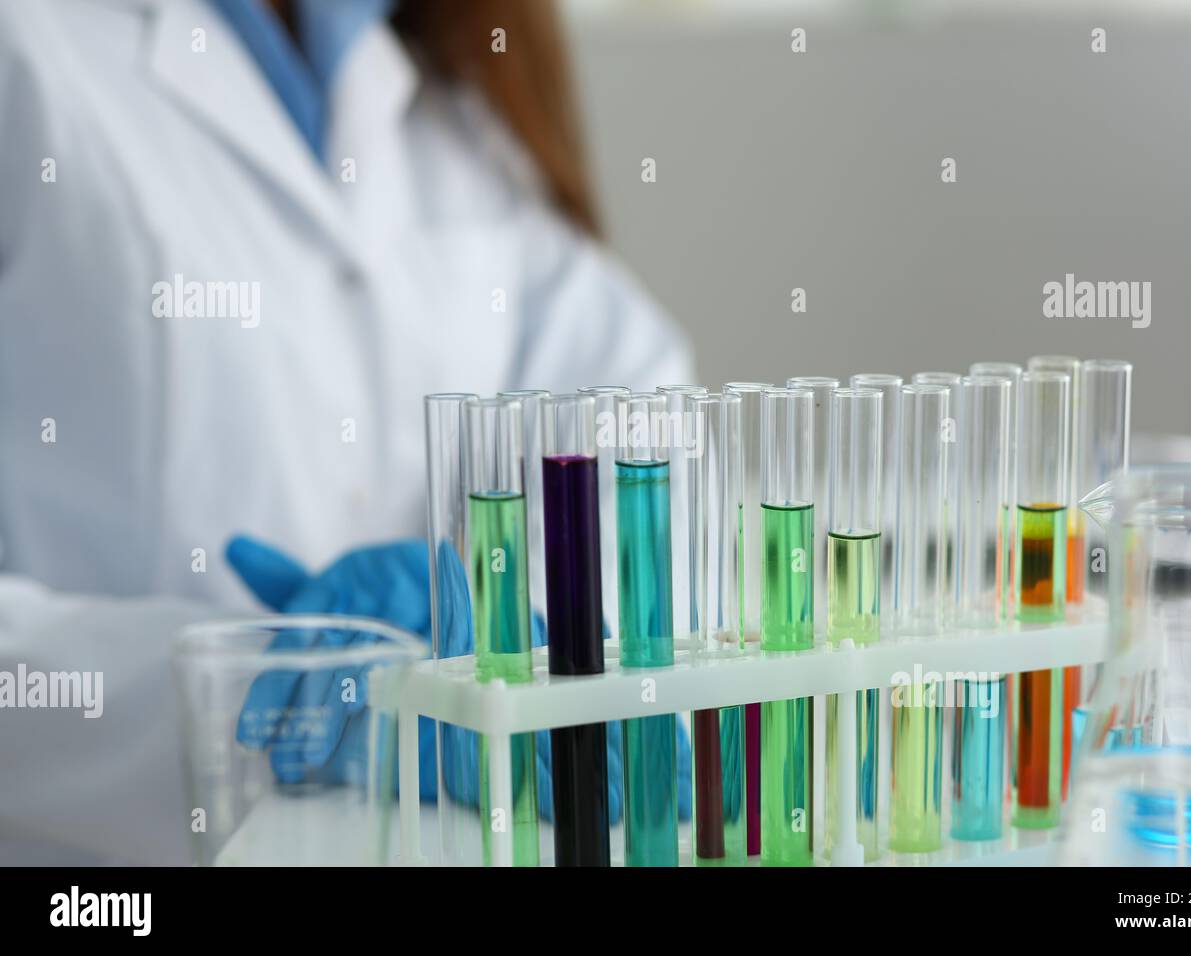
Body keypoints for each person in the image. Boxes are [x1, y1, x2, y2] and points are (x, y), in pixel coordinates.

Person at [0, 0, 692, 864]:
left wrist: (521, 634)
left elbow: (647, 433)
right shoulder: (28, 49)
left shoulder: (444, 95)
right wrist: (254, 693)